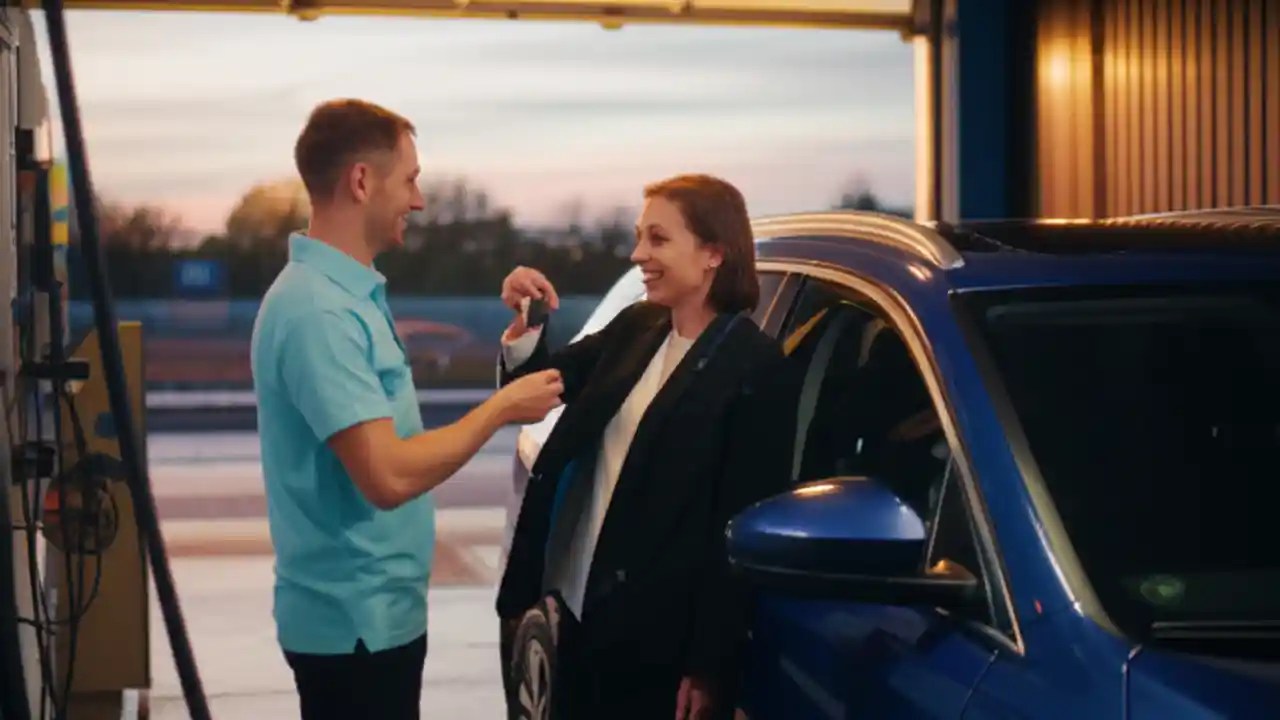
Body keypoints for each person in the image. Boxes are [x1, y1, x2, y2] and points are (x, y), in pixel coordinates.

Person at [249, 98, 564, 720]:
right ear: (362, 181)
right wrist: (501, 409)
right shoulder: (321, 312)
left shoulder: (344, 293)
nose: (418, 200)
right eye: (410, 179)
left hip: (372, 616)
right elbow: (388, 475)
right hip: (354, 626)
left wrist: (515, 348)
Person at [496, 174, 795, 719]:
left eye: (657, 239)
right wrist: (526, 330)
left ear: (713, 253)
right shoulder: (639, 325)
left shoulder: (754, 368)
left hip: (655, 644)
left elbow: (735, 532)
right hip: (581, 612)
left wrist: (708, 666)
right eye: (639, 237)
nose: (638, 254)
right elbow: (542, 385)